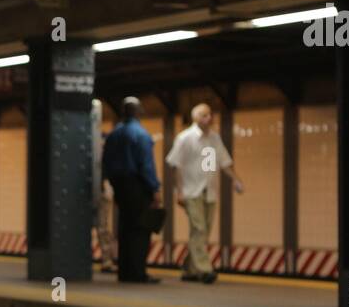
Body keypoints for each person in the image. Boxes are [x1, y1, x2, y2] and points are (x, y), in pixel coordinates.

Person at [165, 103, 244, 283]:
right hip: (191, 192)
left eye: (210, 115)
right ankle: (205, 269)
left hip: (209, 191)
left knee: (203, 231)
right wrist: (179, 192)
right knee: (199, 229)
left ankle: (189, 269)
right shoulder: (185, 138)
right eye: (204, 115)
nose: (209, 118)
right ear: (195, 117)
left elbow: (223, 162)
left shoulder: (213, 139)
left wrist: (236, 180)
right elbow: (176, 165)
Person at [101, 96, 162, 283]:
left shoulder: (114, 134)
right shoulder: (141, 134)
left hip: (119, 186)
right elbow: (146, 165)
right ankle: (137, 273)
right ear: (138, 111)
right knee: (140, 230)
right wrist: (155, 188)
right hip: (138, 186)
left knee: (125, 227)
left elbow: (105, 163)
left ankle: (124, 271)